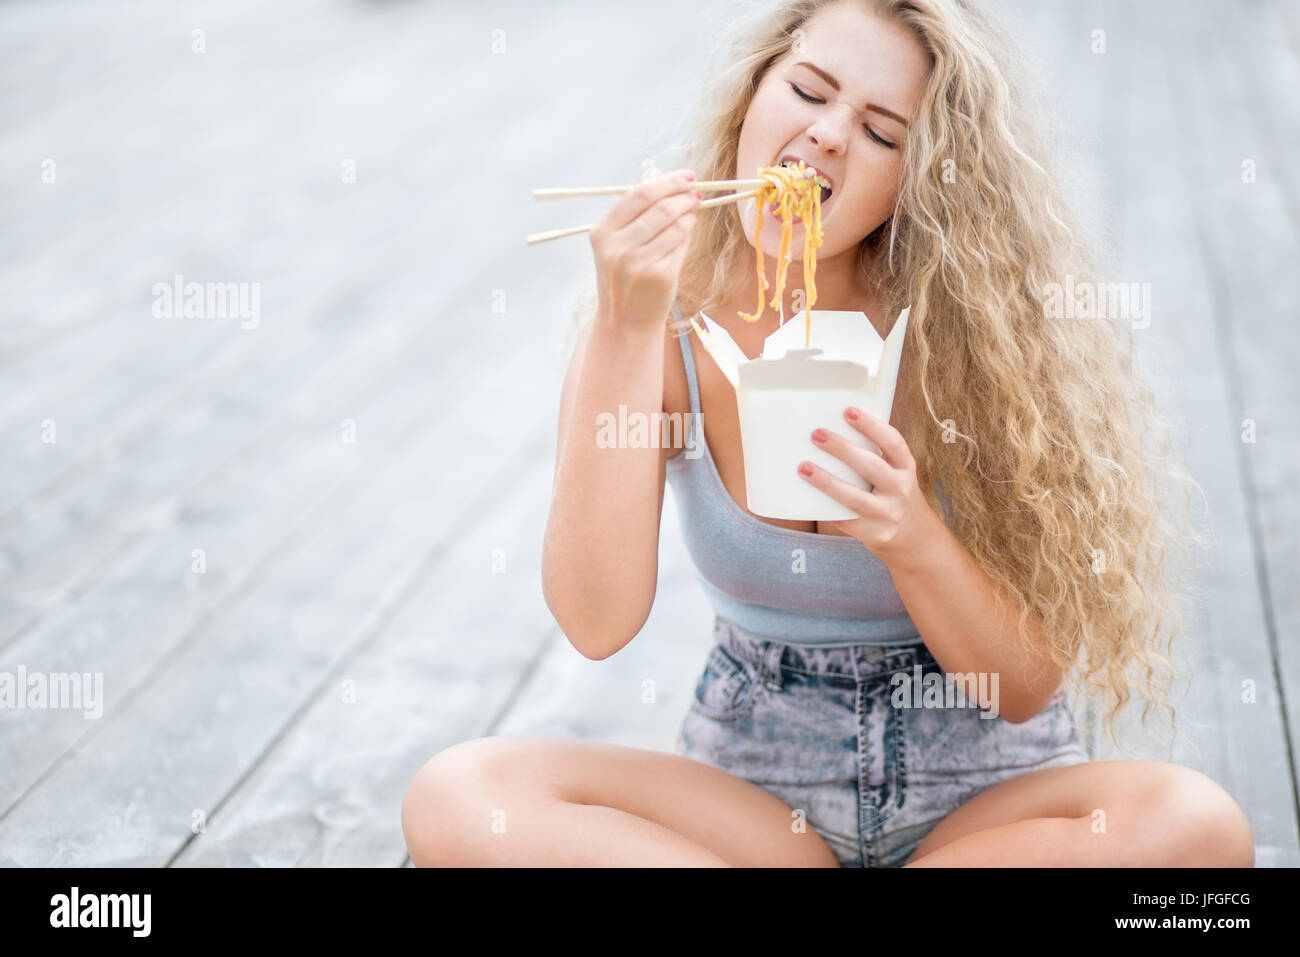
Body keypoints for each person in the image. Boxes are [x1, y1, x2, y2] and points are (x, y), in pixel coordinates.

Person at [402, 0, 1254, 867]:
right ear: (752, 96)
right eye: (808, 90)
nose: (831, 136)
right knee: (461, 796)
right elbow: (595, 621)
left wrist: (912, 536)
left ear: (922, 178)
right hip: (757, 803)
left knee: (1201, 827)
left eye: (883, 134)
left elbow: (1026, 688)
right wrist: (622, 330)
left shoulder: (980, 339)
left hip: (984, 802)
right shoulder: (657, 324)